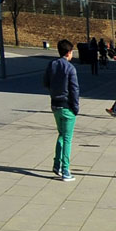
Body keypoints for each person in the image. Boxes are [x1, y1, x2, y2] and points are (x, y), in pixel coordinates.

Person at [44, 39, 80, 182]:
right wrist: (75, 108)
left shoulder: (52, 65)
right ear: (69, 52)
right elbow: (74, 90)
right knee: (67, 138)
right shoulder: (70, 68)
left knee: (61, 134)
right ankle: (66, 170)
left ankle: (56, 164)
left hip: (55, 105)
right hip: (67, 106)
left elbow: (45, 82)